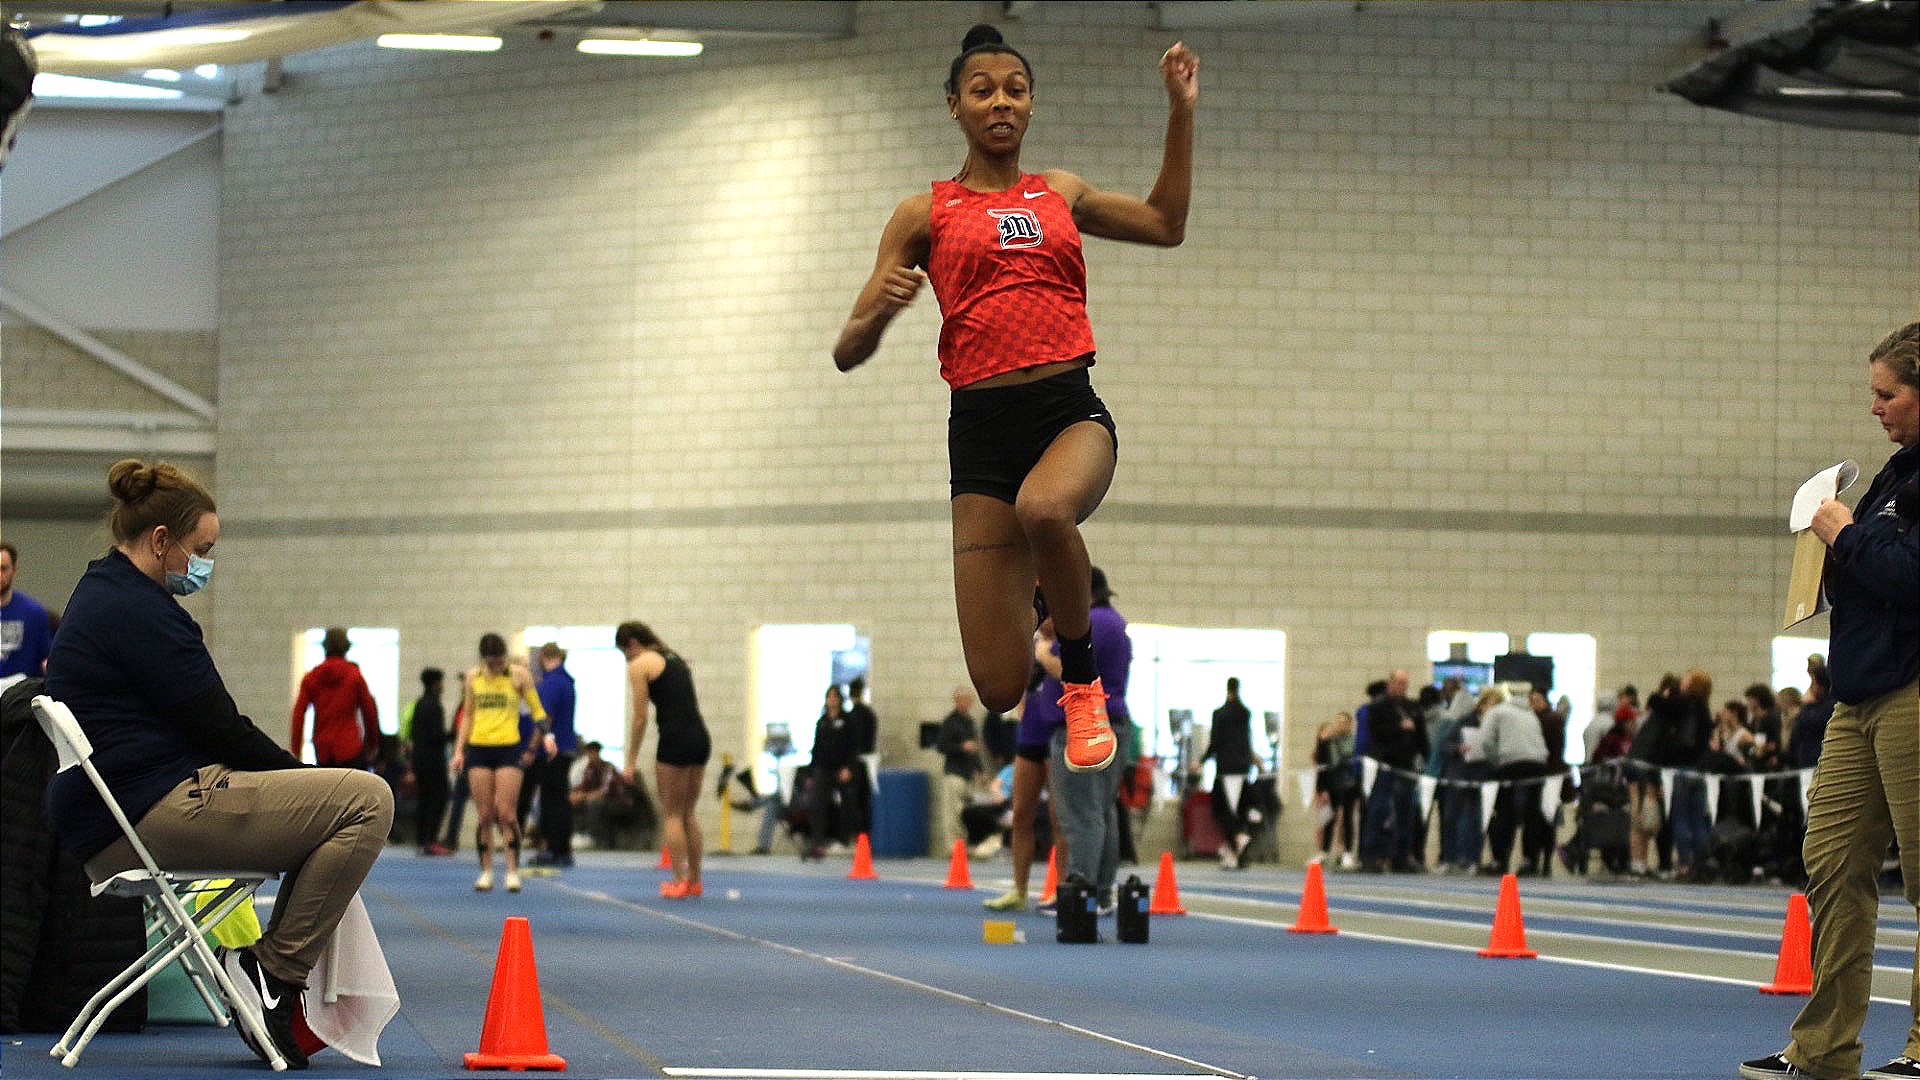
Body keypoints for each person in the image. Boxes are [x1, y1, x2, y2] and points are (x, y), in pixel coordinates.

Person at [832, 25, 1196, 778]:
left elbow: (1166, 225)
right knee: (997, 687)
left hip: (1068, 411)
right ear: (954, 107)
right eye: (983, 90)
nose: (1001, 101)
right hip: (982, 434)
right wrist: (882, 312)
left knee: (1046, 509)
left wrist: (1180, 112)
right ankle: (1045, 594)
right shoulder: (921, 214)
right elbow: (847, 350)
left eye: (1015, 90)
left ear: (1030, 106)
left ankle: (1083, 681)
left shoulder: (1059, 193)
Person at [43, 459, 392, 1070]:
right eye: (202, 549)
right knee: (366, 800)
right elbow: (222, 729)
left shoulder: (101, 591)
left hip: (115, 814)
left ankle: (273, 972)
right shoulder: (144, 616)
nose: (206, 563)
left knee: (334, 807)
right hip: (149, 813)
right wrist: (303, 779)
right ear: (161, 541)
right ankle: (274, 971)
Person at [1744, 323, 1920, 1080]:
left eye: (1888, 393)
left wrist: (1843, 533)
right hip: (1858, 694)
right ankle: (1823, 1048)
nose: (1873, 407)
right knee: (1831, 861)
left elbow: (1912, 576)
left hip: (1914, 689)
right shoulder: (1894, 475)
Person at [617, 621, 710, 898]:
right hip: (699, 738)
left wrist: (630, 761)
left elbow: (639, 718)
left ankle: (679, 880)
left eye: (624, 652)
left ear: (633, 644)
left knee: (672, 814)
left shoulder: (639, 664)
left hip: (675, 740)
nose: (627, 659)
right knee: (688, 814)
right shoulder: (674, 657)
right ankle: (694, 881)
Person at [451, 632, 548, 894]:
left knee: (506, 813)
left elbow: (538, 711)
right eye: (489, 662)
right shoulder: (474, 677)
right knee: (484, 816)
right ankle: (486, 871)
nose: (494, 667)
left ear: (504, 657)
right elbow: (468, 716)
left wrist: (546, 737)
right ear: (483, 659)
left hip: (508, 747)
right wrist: (459, 750)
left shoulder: (518, 675)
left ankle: (512, 871)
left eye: (498, 662)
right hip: (480, 748)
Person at [983, 642, 1061, 912]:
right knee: (1020, 814)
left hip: (1057, 735)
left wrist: (1044, 655)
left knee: (1058, 817)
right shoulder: (1032, 645)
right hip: (1030, 736)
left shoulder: (1066, 642)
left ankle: (1062, 889)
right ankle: (1019, 889)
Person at [289, 627, 379, 768]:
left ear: (325, 647)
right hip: (350, 746)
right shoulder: (355, 676)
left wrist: (296, 751)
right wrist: (373, 744)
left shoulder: (311, 678)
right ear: (346, 647)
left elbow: (298, 715)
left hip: (322, 748)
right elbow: (370, 712)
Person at [530, 642, 580, 868]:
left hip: (552, 750)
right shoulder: (566, 681)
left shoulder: (552, 683)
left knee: (552, 801)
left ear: (543, 657)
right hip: (565, 746)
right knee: (558, 798)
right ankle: (561, 848)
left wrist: (532, 748)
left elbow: (544, 718)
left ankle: (554, 848)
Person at [1201, 677, 1255, 869]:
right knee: (1238, 811)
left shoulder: (1220, 714)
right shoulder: (1245, 713)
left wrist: (1201, 761)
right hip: (1242, 767)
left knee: (1221, 810)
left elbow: (1216, 742)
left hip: (1226, 768)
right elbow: (1247, 739)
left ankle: (1238, 837)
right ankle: (1235, 852)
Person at [805, 684, 861, 859]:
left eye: (835, 696)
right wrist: (811, 772)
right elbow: (816, 748)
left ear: (840, 700)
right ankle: (818, 842)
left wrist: (849, 768)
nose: (832, 699)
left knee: (847, 804)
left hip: (842, 768)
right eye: (829, 696)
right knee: (817, 804)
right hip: (823, 768)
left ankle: (844, 840)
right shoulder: (822, 722)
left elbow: (854, 747)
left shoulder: (848, 721)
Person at [404, 667, 452, 856]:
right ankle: (431, 840)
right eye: (441, 682)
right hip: (433, 760)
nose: (443, 686)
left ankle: (422, 840)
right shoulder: (434, 705)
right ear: (435, 684)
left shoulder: (418, 704)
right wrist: (455, 734)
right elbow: (436, 736)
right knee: (438, 799)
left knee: (424, 800)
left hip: (419, 759)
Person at [936, 686, 984, 849]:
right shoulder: (949, 722)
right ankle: (954, 847)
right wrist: (961, 747)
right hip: (954, 772)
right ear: (957, 701)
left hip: (968, 773)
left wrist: (980, 770)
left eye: (970, 700)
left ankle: (965, 844)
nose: (968, 703)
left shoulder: (970, 722)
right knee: (953, 812)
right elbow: (941, 746)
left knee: (965, 812)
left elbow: (975, 749)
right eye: (966, 700)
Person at [571, 741, 641, 851]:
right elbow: (583, 788)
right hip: (602, 802)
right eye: (589, 752)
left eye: (593, 752)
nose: (591, 755)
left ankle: (594, 838)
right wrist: (576, 795)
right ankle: (578, 835)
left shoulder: (608, 768)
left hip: (620, 803)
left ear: (598, 753)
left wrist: (583, 796)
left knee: (594, 804)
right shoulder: (589, 769)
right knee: (574, 802)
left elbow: (604, 791)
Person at [1312, 712, 1360, 869]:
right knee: (1329, 819)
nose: (1340, 725)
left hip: (1349, 784)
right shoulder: (1329, 742)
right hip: (1333, 784)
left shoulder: (1354, 741)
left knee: (1347, 819)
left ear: (1350, 725)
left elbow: (1352, 760)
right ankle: (1324, 851)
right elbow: (1322, 763)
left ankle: (1346, 852)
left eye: (1344, 722)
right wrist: (1321, 741)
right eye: (1338, 722)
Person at [0, 539, 53, 680]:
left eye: (3, 568)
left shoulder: (34, 614)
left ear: (14, 570)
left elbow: (46, 661)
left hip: (20, 696)